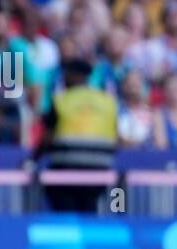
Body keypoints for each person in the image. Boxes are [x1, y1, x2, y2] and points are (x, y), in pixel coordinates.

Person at [34, 59, 118, 213]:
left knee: (64, 210)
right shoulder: (108, 102)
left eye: (66, 75)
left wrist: (33, 160)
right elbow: (115, 137)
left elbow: (47, 137)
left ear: (74, 76)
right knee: (89, 209)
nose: (63, 80)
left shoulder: (61, 100)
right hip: (100, 171)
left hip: (66, 170)